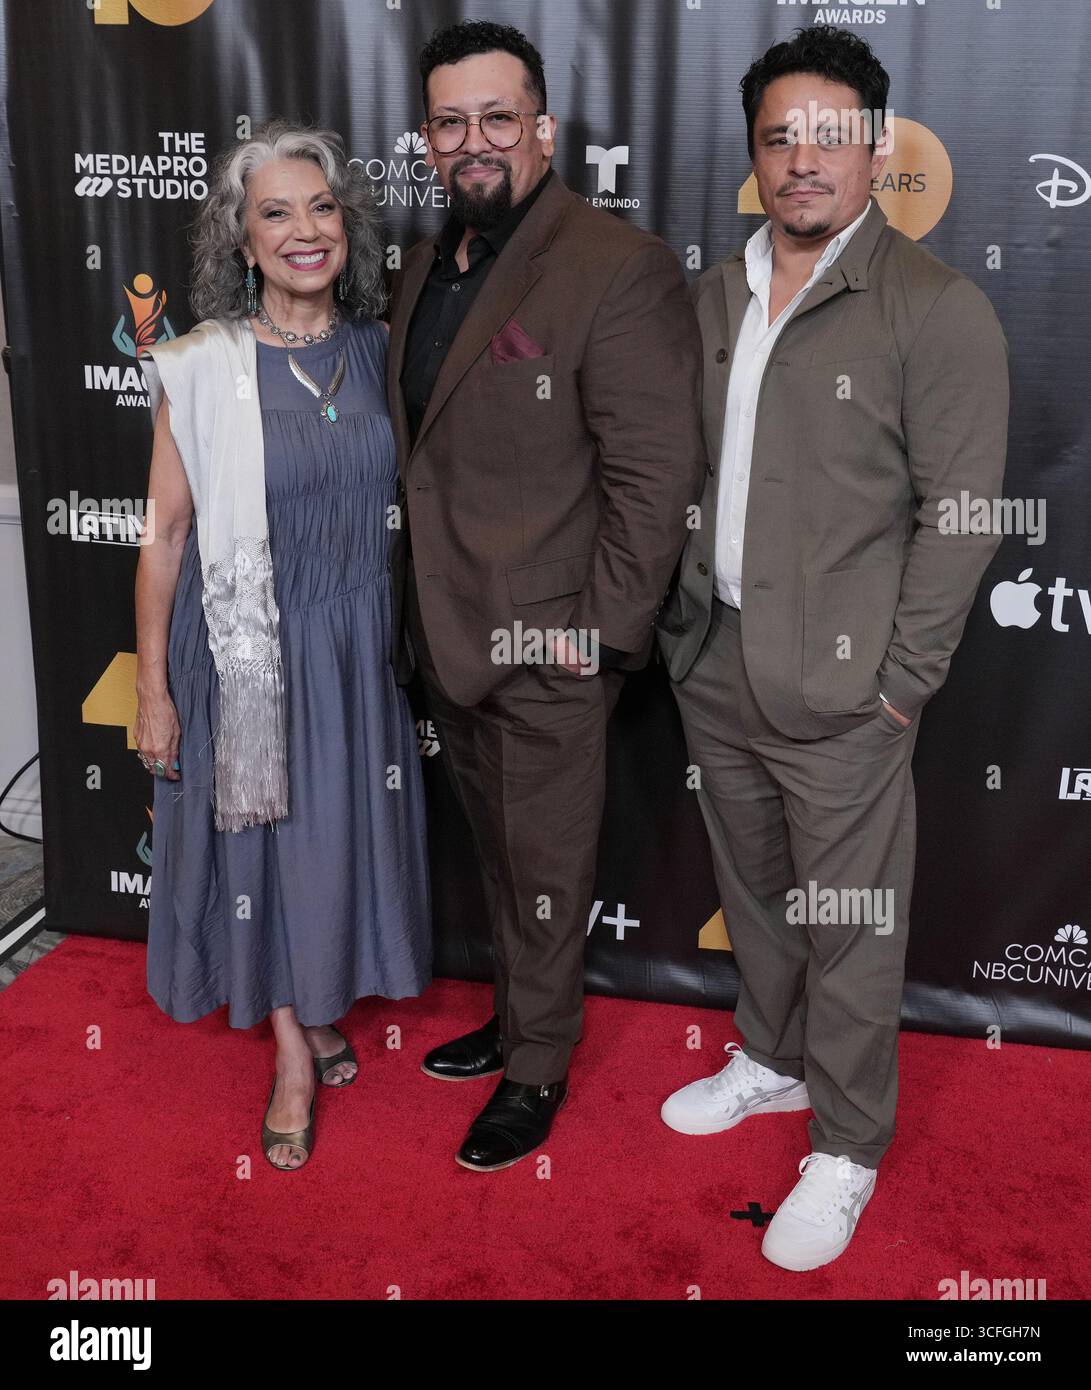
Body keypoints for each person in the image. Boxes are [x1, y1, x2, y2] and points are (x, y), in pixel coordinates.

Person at [656, 26, 1009, 1269]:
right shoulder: (714, 292)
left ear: (874, 149)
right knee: (754, 892)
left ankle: (847, 1143)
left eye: (829, 136)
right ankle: (769, 1057)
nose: (802, 160)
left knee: (850, 924)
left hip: (849, 690)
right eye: (777, 137)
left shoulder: (933, 308)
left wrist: (901, 685)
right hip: (716, 660)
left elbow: (958, 518)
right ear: (753, 155)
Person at [388, 21, 704, 1171]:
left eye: (495, 118)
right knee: (501, 858)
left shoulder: (613, 264)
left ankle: (538, 1068)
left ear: (541, 128)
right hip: (445, 632)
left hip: (546, 645)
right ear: (426, 140)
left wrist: (599, 639)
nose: (473, 142)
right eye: (449, 122)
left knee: (548, 870)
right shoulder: (425, 265)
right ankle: (517, 1022)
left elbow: (653, 474)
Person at [135, 119, 431, 1172]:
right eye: (275, 213)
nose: (305, 231)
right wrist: (155, 691)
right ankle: (291, 1055)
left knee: (330, 843)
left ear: (344, 225)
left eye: (321, 209)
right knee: (261, 849)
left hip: (356, 651)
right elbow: (166, 535)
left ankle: (313, 1005)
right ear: (241, 239)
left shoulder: (379, 349)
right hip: (251, 652)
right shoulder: (199, 368)